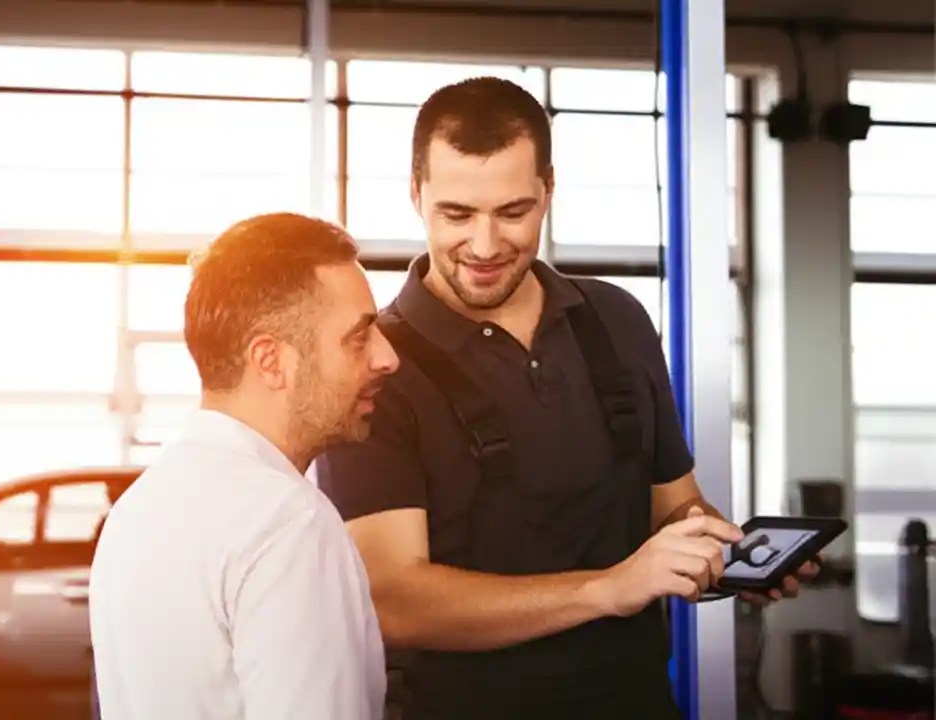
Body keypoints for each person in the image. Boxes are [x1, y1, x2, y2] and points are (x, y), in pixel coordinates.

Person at [314, 77, 818, 719]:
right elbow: (392, 602)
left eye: (514, 211)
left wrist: (722, 553)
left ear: (548, 191)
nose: (487, 244)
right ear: (417, 196)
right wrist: (610, 589)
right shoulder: (377, 363)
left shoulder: (617, 319)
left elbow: (675, 505)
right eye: (457, 214)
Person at [89, 212, 398, 720]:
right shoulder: (288, 522)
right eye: (359, 337)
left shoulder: (135, 512)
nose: (387, 358)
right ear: (272, 361)